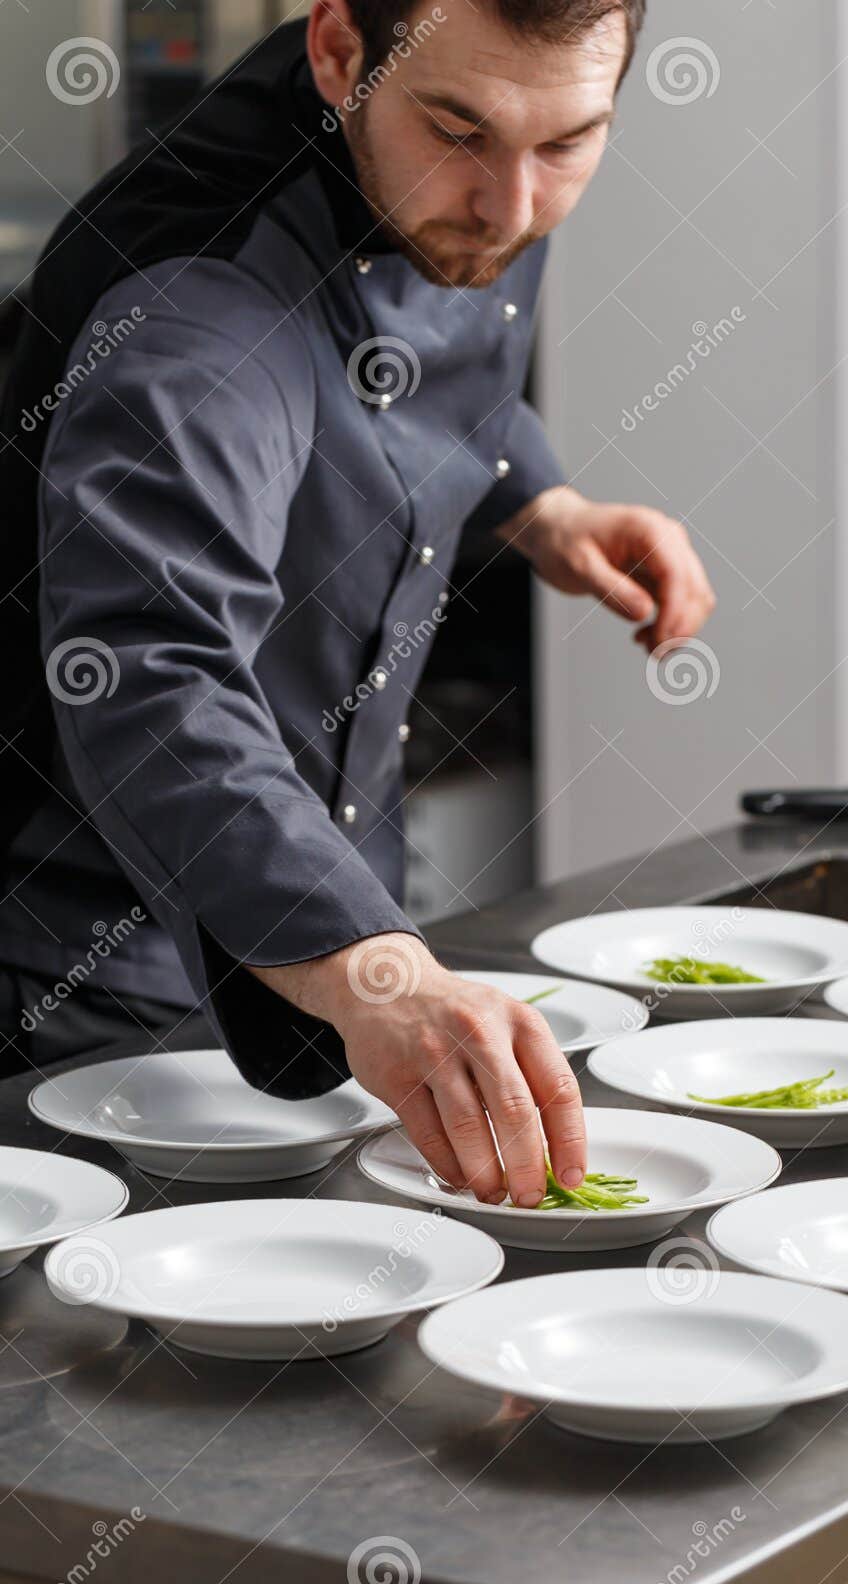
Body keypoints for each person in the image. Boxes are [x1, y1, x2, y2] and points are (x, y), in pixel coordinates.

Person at [0, 0, 714, 1207]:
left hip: (328, 894)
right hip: (87, 949)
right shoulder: (199, 308)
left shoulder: (451, 132)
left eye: (569, 145)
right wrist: (376, 970)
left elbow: (416, 338)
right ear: (336, 51)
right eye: (460, 133)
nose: (514, 209)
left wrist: (539, 503)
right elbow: (146, 667)